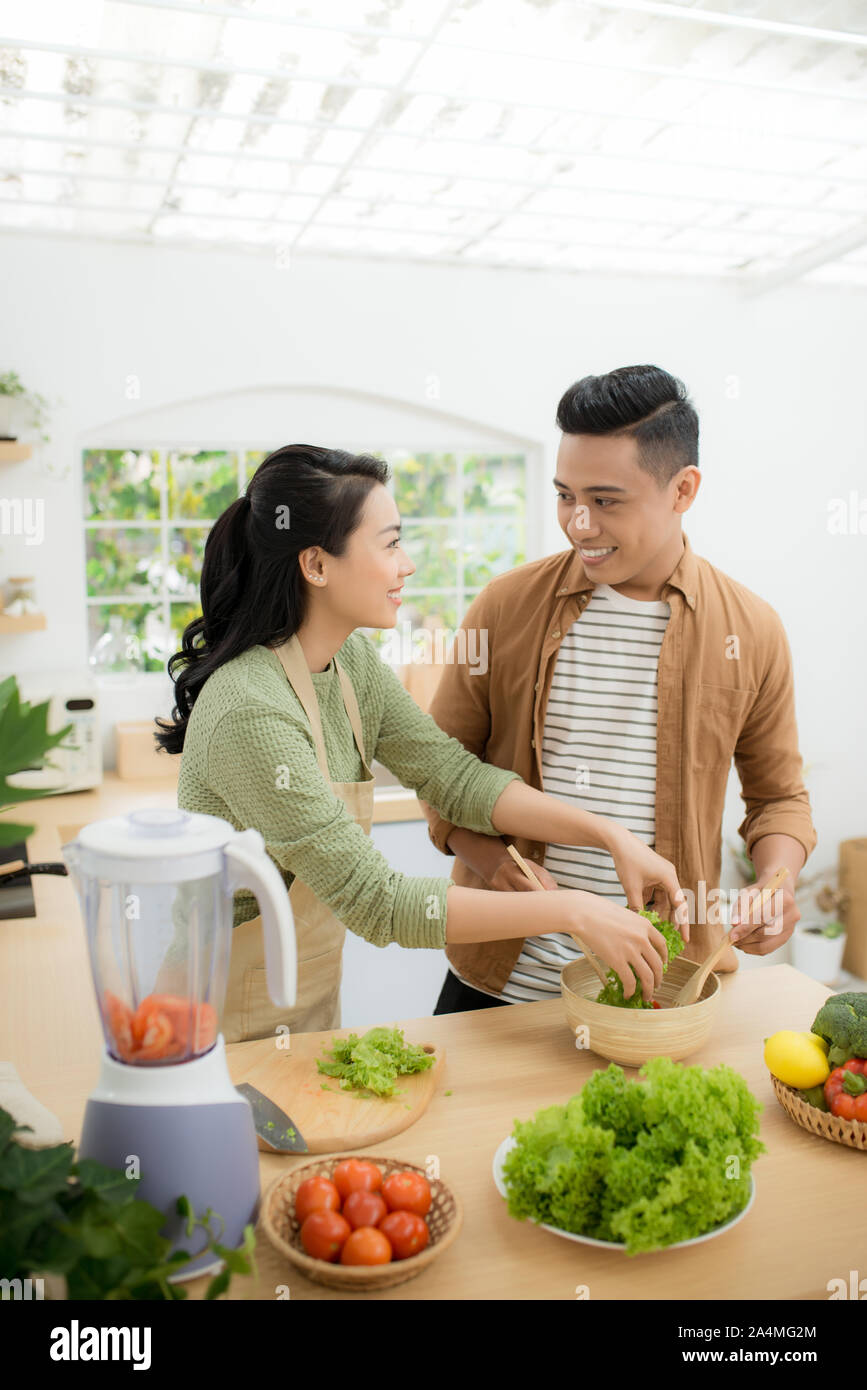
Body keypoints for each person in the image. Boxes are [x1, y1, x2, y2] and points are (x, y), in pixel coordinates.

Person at [155, 444, 689, 1041]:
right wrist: (575, 910)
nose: (406, 564)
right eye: (389, 544)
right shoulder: (249, 709)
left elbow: (453, 779)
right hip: (210, 1031)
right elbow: (377, 901)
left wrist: (609, 837)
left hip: (304, 1014)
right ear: (317, 566)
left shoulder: (349, 662)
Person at [421, 365, 817, 1012]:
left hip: (664, 985)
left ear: (682, 489)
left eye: (605, 501)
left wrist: (777, 880)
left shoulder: (751, 629)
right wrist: (495, 865)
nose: (578, 523)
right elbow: (438, 770)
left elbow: (777, 800)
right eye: (563, 495)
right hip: (502, 979)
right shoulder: (503, 607)